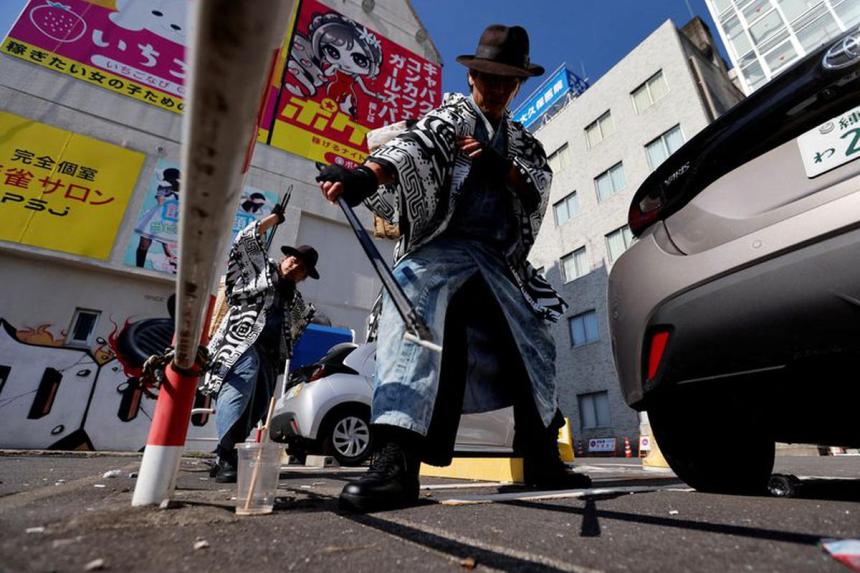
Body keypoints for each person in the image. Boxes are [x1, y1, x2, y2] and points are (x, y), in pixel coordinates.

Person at [317, 24, 591, 512]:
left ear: (519, 84)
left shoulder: (524, 142)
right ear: (472, 78)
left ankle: (542, 454)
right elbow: (415, 147)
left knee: (536, 343)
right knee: (411, 311)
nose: (496, 87)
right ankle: (395, 459)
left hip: (498, 261)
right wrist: (363, 176)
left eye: (508, 80)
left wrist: (502, 169)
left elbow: (537, 186)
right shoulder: (451, 118)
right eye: (488, 77)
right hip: (440, 248)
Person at [200, 204, 320, 482]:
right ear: (284, 257)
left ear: (304, 276)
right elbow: (244, 240)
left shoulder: (298, 302)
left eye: (301, 267)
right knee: (241, 383)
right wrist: (274, 219)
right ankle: (226, 455)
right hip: (241, 343)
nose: (295, 265)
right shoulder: (260, 272)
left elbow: (295, 330)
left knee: (257, 404)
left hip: (269, 353)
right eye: (293, 260)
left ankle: (224, 457)